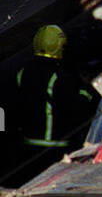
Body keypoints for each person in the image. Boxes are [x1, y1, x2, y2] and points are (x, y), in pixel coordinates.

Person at [9, 25, 95, 180]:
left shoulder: (22, 72)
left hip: (28, 147)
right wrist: (87, 90)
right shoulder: (59, 76)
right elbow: (77, 109)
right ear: (60, 47)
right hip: (55, 149)